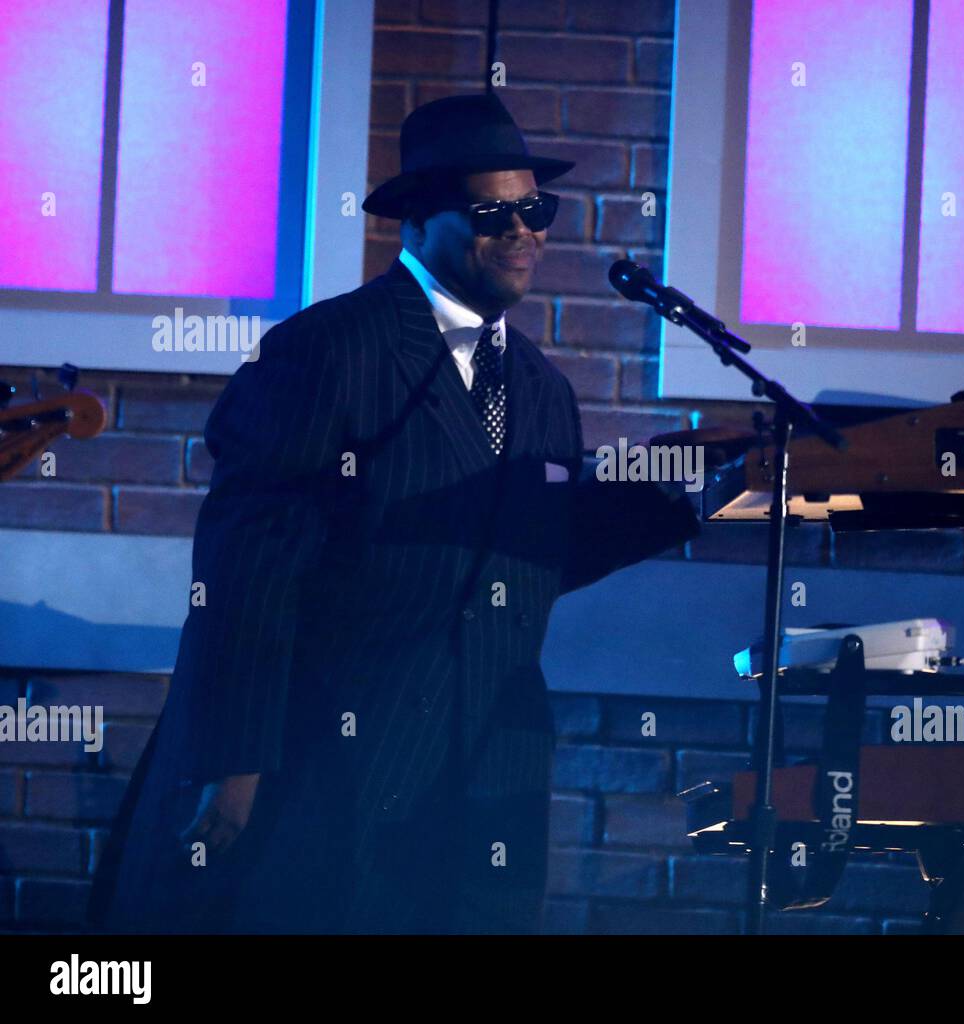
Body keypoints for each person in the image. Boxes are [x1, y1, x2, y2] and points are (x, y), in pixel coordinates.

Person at [88, 92, 699, 934]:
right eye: (494, 211)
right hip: (325, 769)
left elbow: (528, 557)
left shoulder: (542, 389)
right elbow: (245, 571)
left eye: (536, 207)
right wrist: (232, 763)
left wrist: (691, 486)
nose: (524, 230)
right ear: (418, 218)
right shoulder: (324, 353)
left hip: (479, 781)